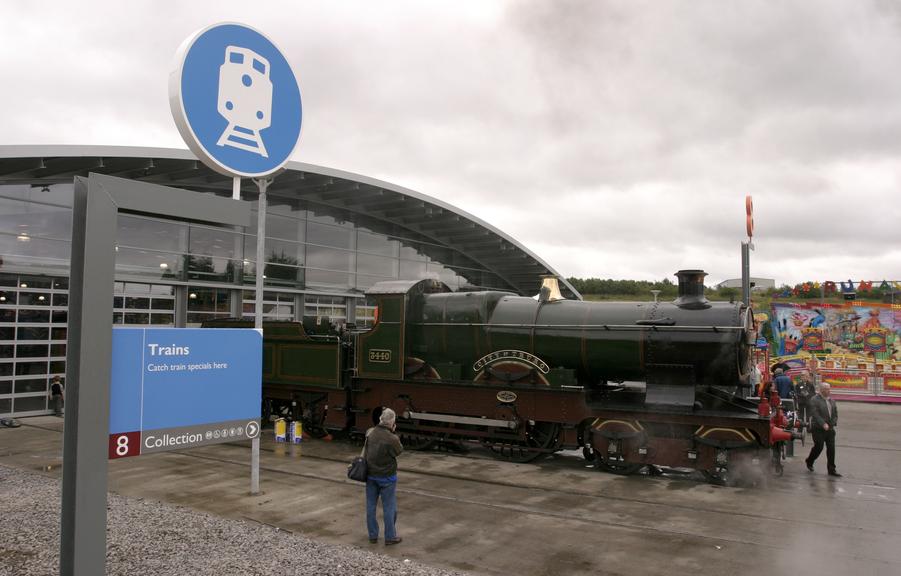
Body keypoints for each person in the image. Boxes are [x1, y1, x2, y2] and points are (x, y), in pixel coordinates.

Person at [364, 408, 404, 545]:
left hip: (371, 475)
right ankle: (390, 537)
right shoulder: (392, 438)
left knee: (370, 506)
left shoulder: (370, 432)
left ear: (381, 419)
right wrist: (393, 432)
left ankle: (373, 536)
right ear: (392, 422)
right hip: (387, 477)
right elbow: (399, 451)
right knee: (389, 507)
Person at [805, 383, 841, 477]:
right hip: (818, 428)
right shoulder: (814, 400)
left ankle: (832, 469)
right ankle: (809, 461)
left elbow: (835, 414)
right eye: (827, 389)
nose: (829, 391)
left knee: (831, 449)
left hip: (830, 429)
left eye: (829, 389)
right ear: (821, 390)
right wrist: (823, 424)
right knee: (819, 447)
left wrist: (832, 423)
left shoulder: (832, 401)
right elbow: (815, 414)